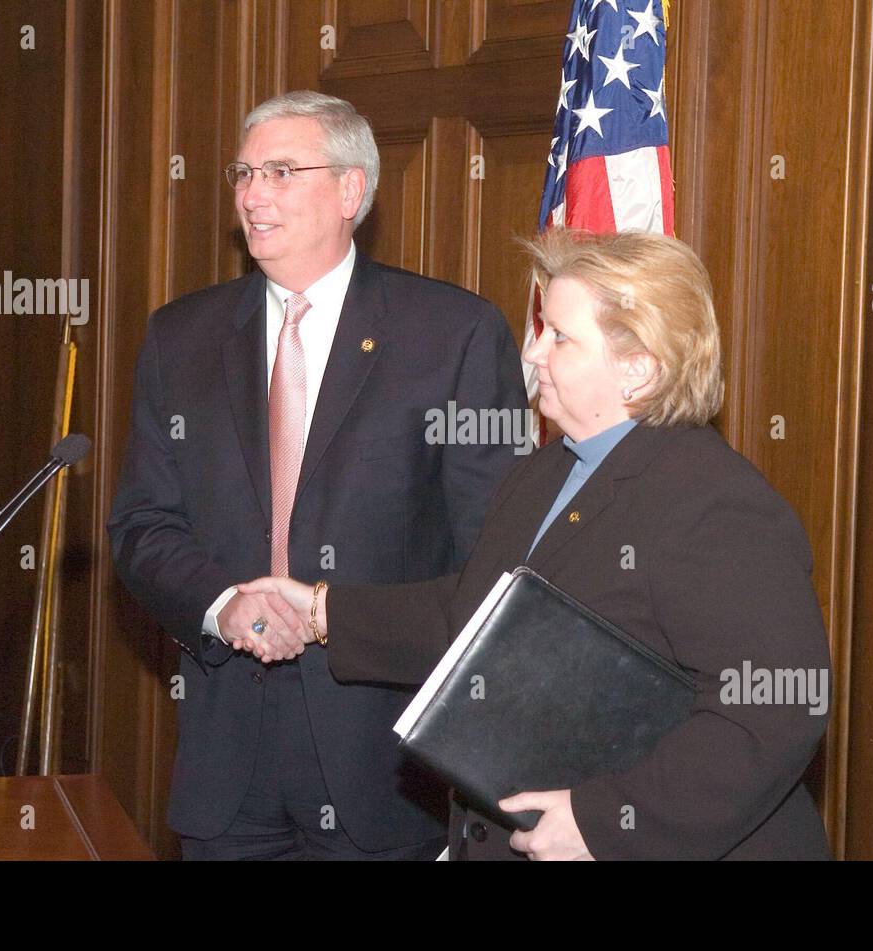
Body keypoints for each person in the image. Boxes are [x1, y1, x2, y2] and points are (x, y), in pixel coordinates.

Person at [239, 228, 834, 860]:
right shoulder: (543, 472)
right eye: (540, 328)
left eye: (560, 336)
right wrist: (321, 612)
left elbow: (776, 700)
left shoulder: (711, 501)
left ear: (638, 367)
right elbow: (483, 618)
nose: (533, 351)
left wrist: (605, 820)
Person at [107, 91, 528, 860]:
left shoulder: (453, 335)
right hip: (225, 753)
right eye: (243, 172)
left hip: (385, 758)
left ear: (351, 192)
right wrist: (222, 605)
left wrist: (340, 615)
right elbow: (142, 525)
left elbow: (492, 558)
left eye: (279, 171)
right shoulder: (182, 336)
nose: (251, 193)